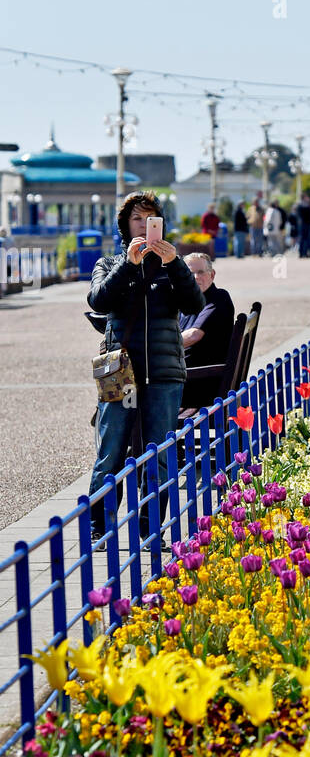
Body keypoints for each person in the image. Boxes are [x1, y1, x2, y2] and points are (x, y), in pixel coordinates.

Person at [87, 190, 204, 542]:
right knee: (111, 450)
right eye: (137, 219)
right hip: (120, 372)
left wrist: (176, 265)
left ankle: (152, 529)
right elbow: (99, 299)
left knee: (160, 454)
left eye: (150, 219)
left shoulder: (171, 265)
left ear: (161, 224)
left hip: (164, 371)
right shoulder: (110, 264)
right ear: (125, 225)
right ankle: (98, 526)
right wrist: (129, 264)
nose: (143, 225)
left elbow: (193, 302)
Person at [179, 252, 236, 411]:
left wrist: (157, 346)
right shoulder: (188, 300)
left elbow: (194, 334)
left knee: (140, 391)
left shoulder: (218, 299)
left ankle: (146, 436)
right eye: (190, 274)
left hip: (202, 385)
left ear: (212, 274)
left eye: (201, 272)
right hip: (190, 378)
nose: (196, 277)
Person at [295, 193, 310, 258]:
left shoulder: (299, 205)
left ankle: (302, 253)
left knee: (302, 239)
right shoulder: (307, 205)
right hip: (306, 225)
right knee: (306, 239)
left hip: (302, 225)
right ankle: (305, 253)